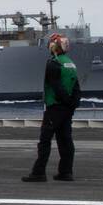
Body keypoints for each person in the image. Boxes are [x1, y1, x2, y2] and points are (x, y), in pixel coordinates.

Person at [23, 33, 80, 182]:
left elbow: (56, 86)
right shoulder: (71, 64)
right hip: (67, 110)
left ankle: (39, 172)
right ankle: (66, 172)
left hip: (54, 107)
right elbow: (76, 89)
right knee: (65, 140)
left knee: (45, 140)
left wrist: (63, 102)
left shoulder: (53, 63)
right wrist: (71, 106)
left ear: (54, 46)